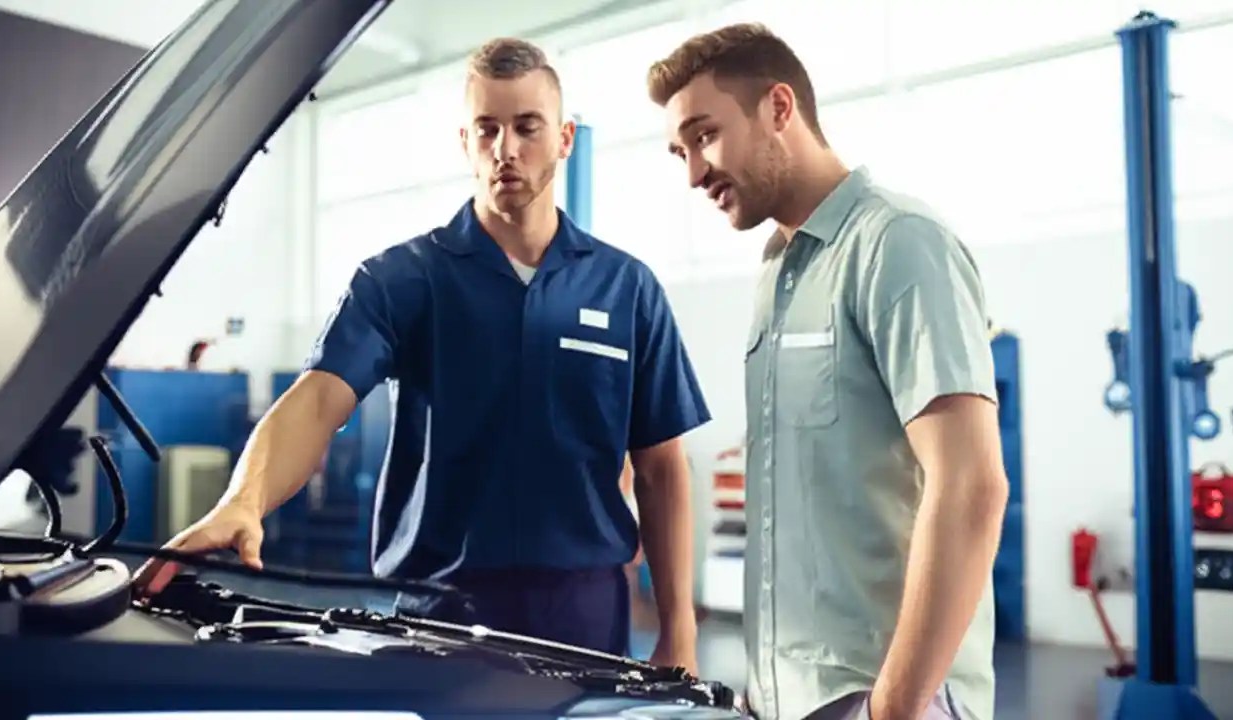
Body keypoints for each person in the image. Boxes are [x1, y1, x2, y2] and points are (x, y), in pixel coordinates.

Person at [134, 37, 710, 671]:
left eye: (527, 127)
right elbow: (320, 398)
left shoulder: (627, 289)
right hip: (438, 616)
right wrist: (242, 500)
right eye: (486, 129)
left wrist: (678, 626)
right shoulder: (401, 280)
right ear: (464, 141)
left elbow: (660, 470)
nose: (506, 149)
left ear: (565, 138)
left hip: (584, 618)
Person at [647, 23, 1008, 720]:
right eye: (679, 151)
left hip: (886, 696)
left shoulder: (899, 244)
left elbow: (971, 486)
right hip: (791, 698)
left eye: (705, 135)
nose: (693, 172)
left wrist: (897, 705)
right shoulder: (779, 271)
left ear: (779, 109)